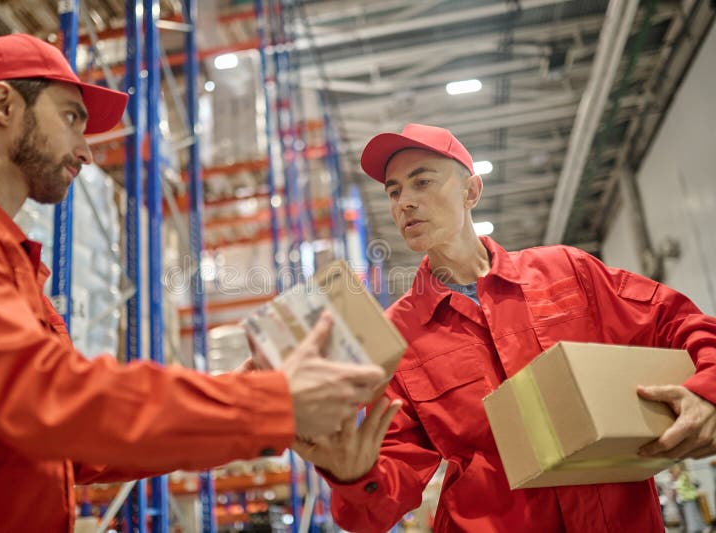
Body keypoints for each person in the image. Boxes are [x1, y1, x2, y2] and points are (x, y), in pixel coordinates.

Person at [0, 33, 385, 531]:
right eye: (72, 117)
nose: (86, 152)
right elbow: (52, 402)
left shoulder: (8, 259)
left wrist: (245, 394)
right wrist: (267, 405)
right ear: (3, 103)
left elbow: (77, 448)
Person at [295, 123, 716, 532]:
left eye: (422, 182)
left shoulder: (566, 272)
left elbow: (678, 321)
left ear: (471, 191)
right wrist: (352, 476)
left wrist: (707, 394)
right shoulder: (397, 336)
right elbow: (381, 496)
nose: (404, 201)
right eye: (394, 190)